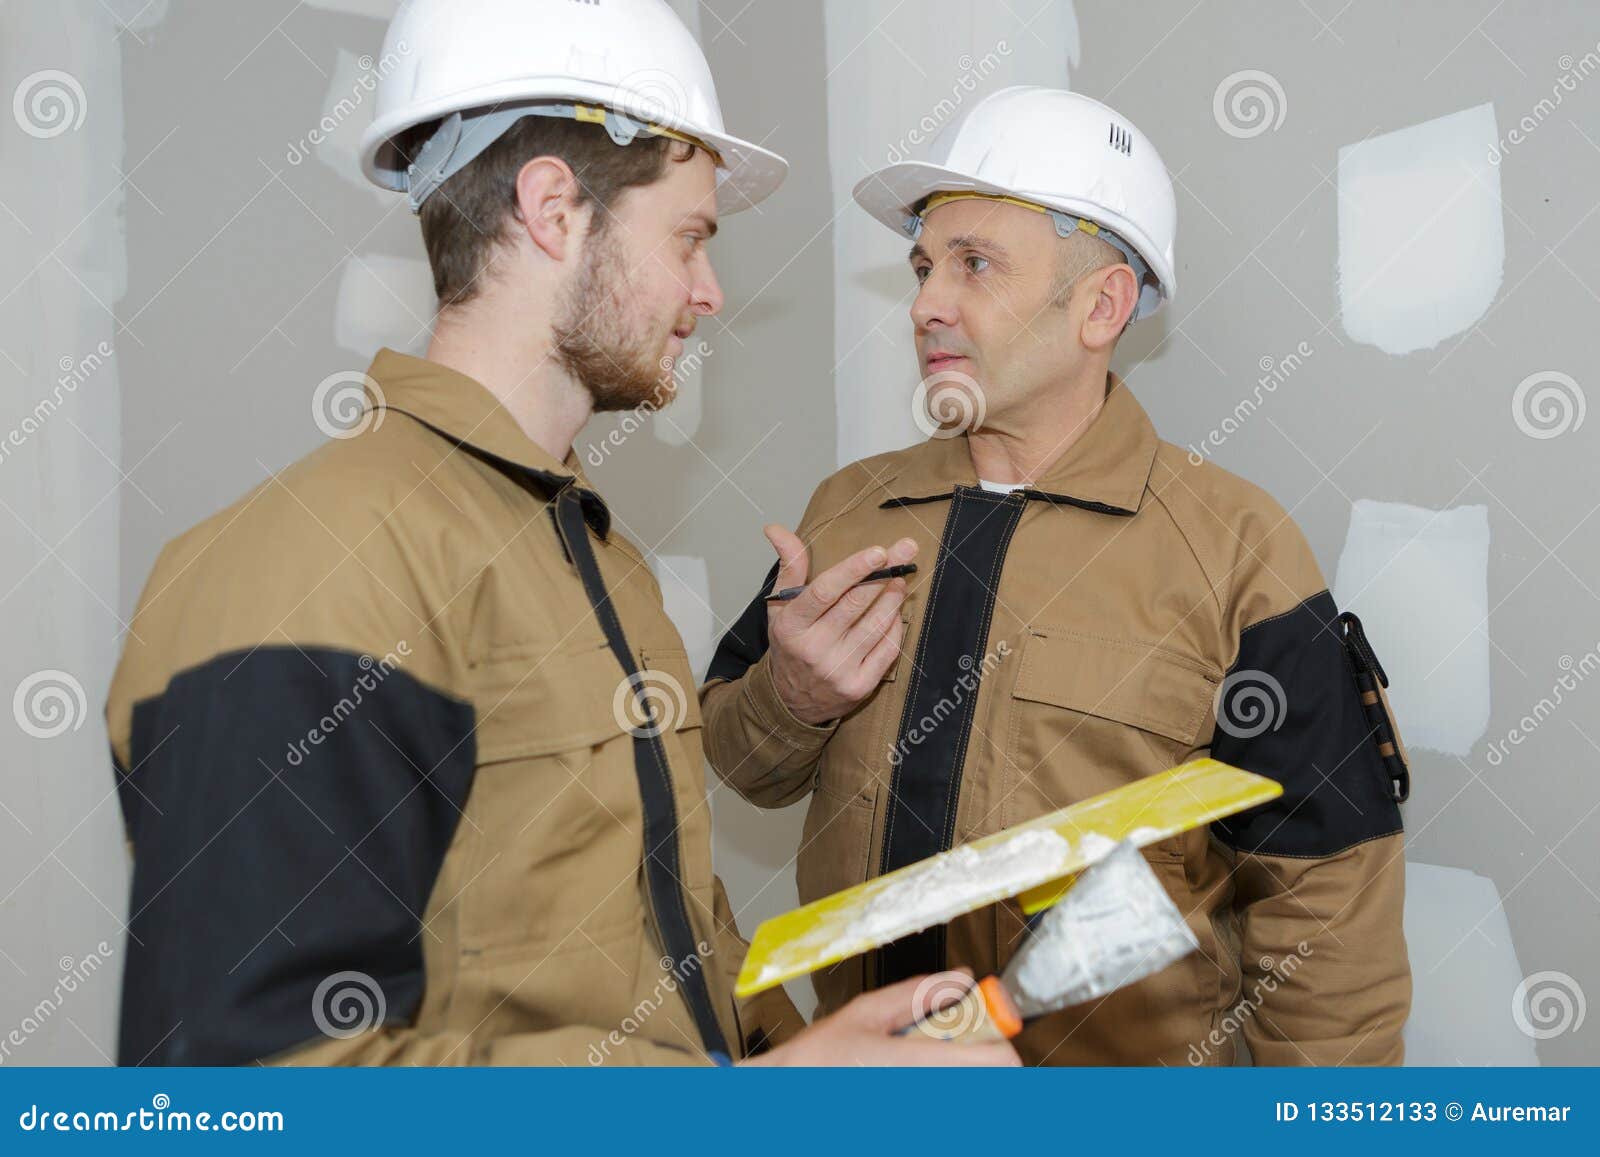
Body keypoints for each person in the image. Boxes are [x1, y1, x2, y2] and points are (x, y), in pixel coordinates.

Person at [104, 0, 1017, 1069]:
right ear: (552, 210)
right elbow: (248, 1081)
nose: (709, 292)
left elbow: (661, 951)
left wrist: (818, 1055)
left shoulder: (598, 564)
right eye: (689, 237)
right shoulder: (300, 564)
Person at [701, 86, 1413, 1066]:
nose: (923, 304)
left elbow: (1328, 910)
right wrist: (789, 696)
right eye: (921, 267)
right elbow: (742, 764)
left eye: (973, 264)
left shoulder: (1235, 551)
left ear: (1100, 305)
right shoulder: (847, 512)